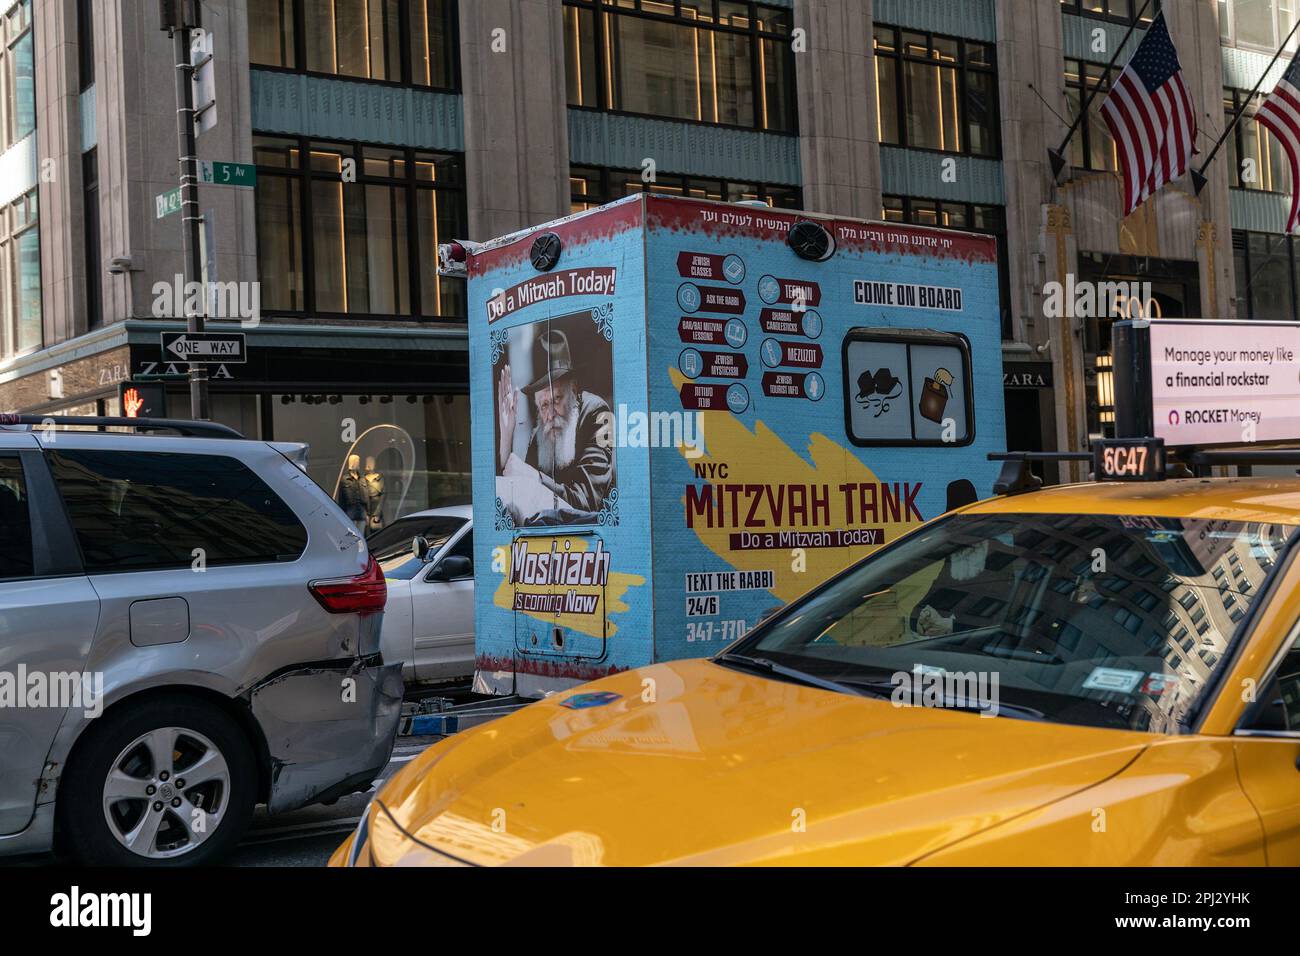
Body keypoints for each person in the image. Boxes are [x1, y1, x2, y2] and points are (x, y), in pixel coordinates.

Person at [497, 329, 615, 521]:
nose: (550, 413)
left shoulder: (598, 414)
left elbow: (587, 502)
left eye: (556, 399)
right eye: (544, 405)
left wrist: (535, 478)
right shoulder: (540, 434)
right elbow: (517, 489)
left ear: (574, 389)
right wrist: (506, 436)